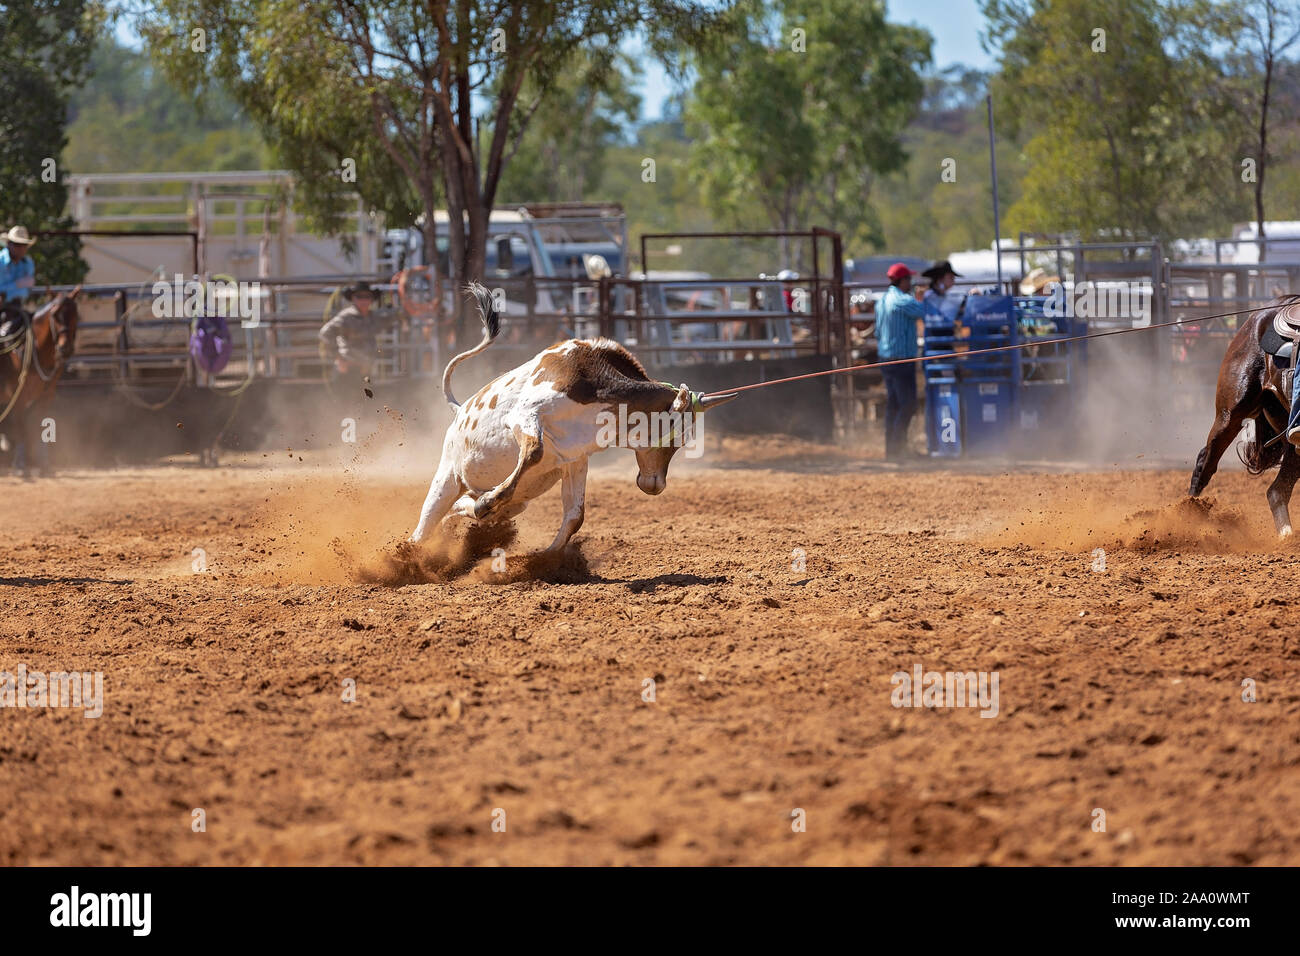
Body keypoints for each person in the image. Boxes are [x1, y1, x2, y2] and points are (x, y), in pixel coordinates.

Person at [876, 262, 926, 461]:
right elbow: (923, 311)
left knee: (894, 405)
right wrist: (921, 297)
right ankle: (898, 449)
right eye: (908, 279)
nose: (911, 283)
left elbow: (878, 330)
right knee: (908, 404)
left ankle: (892, 450)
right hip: (901, 359)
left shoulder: (882, 300)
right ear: (902, 281)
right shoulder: (902, 301)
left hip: (886, 358)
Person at [318, 280, 402, 392]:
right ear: (353, 299)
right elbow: (325, 333)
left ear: (371, 299)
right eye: (359, 296)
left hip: (365, 369)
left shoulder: (373, 317)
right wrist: (338, 358)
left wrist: (404, 310)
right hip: (348, 369)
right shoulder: (346, 317)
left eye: (367, 297)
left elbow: (391, 317)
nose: (363, 300)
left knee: (364, 404)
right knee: (348, 404)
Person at [0, 226, 37, 332]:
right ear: (8, 244)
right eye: (17, 244)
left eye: (24, 245)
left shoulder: (28, 263)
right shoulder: (0, 262)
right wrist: (18, 284)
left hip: (18, 307)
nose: (21, 248)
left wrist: (7, 292)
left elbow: (24, 291)